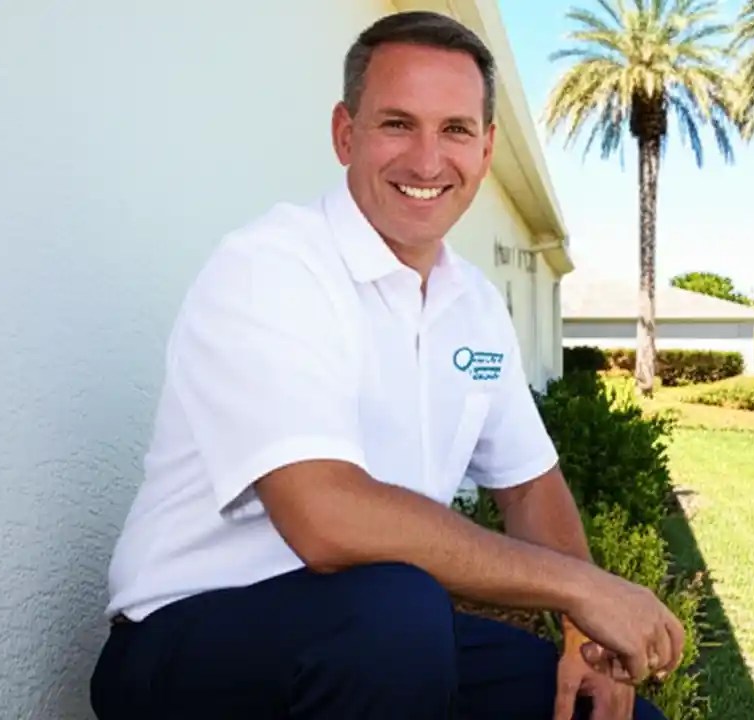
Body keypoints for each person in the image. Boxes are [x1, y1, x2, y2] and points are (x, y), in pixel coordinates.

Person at [87, 10, 683, 720]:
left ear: (487, 149)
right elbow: (325, 517)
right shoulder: (273, 267)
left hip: (383, 640)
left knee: (602, 714)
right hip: (188, 640)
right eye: (398, 124)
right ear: (346, 134)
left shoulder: (475, 306)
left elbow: (529, 488)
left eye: (455, 130)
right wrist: (579, 587)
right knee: (396, 608)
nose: (428, 161)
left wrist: (585, 638)